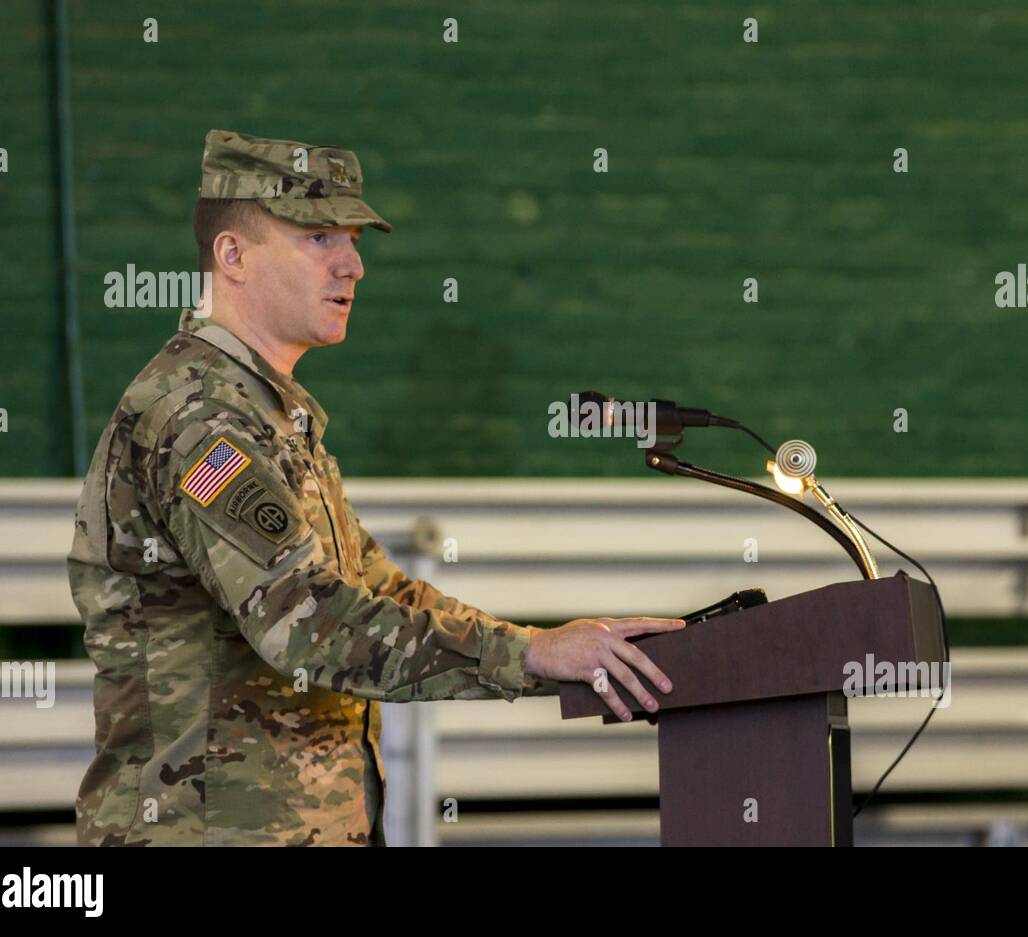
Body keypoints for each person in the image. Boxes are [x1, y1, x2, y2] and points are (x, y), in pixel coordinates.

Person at [67, 129, 684, 846]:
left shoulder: (265, 414)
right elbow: (311, 621)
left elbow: (382, 593)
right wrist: (532, 655)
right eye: (319, 237)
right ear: (232, 256)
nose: (353, 265)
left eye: (354, 239)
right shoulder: (199, 420)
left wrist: (552, 647)